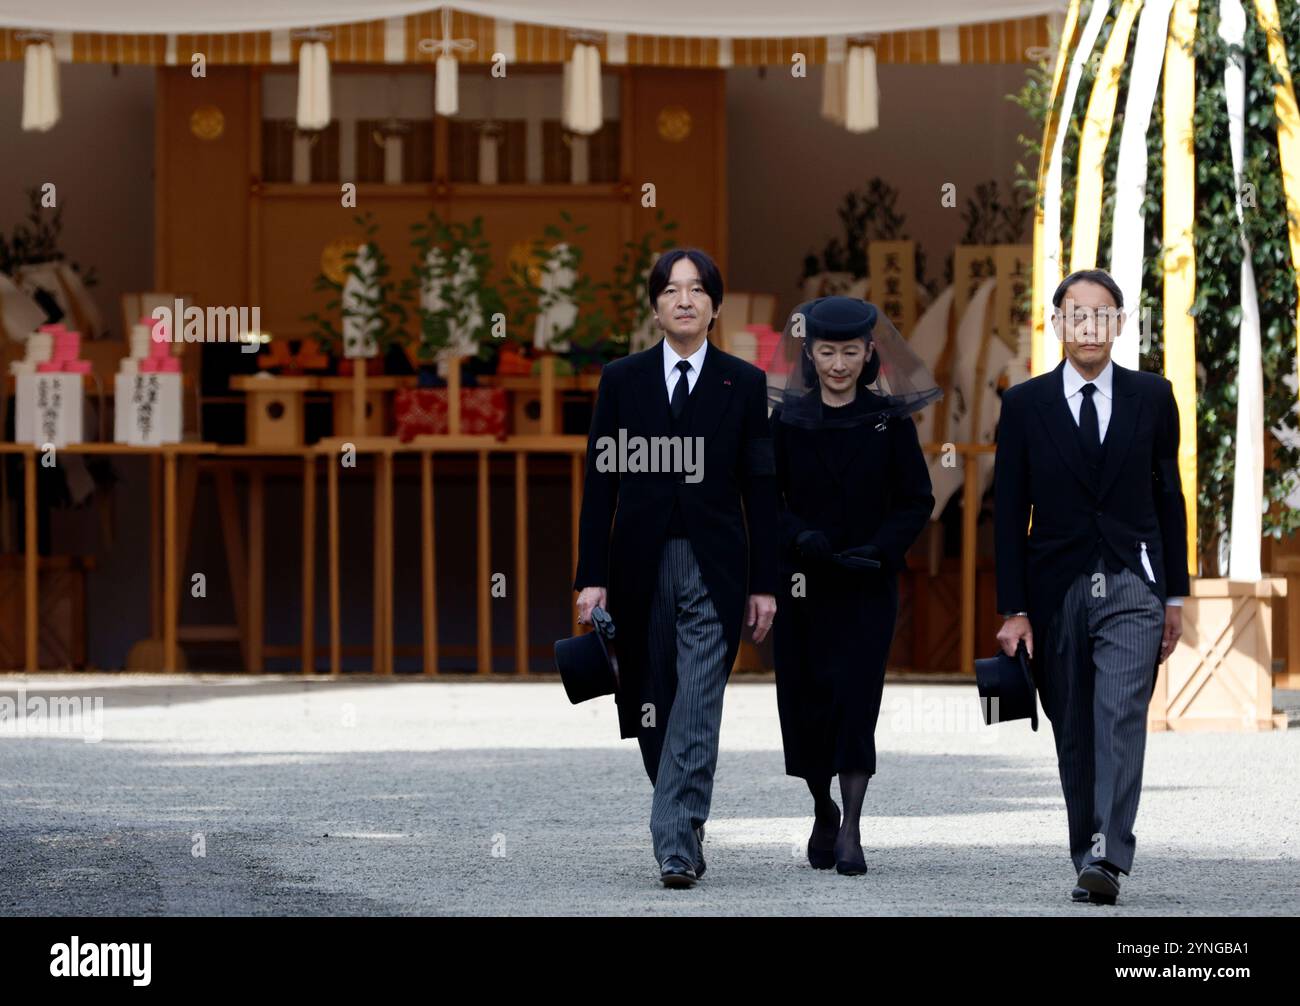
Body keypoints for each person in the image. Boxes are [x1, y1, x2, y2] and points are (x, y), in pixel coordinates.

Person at [573, 247, 778, 888]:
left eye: (697, 290)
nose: (684, 300)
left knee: (698, 698)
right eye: (671, 290)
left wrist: (767, 582)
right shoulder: (622, 380)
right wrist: (591, 574)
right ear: (656, 306)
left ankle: (673, 845)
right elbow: (599, 483)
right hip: (638, 564)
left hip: (715, 565)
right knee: (648, 701)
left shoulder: (742, 384)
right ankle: (684, 819)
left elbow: (762, 490)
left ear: (715, 306)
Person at [993, 267, 1189, 906]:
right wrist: (1014, 609)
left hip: (1133, 577)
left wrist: (1176, 595)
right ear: (1056, 325)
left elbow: (1170, 498)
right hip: (1055, 586)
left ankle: (1110, 851)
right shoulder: (1024, 406)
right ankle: (1088, 851)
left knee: (1120, 710)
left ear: (1120, 324)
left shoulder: (1152, 397)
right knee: (1073, 722)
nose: (1088, 325)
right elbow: (1009, 512)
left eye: (1101, 314)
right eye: (1076, 313)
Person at [768, 296, 938, 875]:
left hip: (867, 586)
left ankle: (854, 829)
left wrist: (882, 548)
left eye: (849, 351)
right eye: (826, 351)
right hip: (803, 588)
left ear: (869, 352)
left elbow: (917, 499)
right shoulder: (787, 419)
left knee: (856, 703)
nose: (838, 363)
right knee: (807, 702)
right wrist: (798, 535)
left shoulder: (890, 422)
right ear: (809, 354)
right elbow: (768, 500)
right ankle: (822, 806)